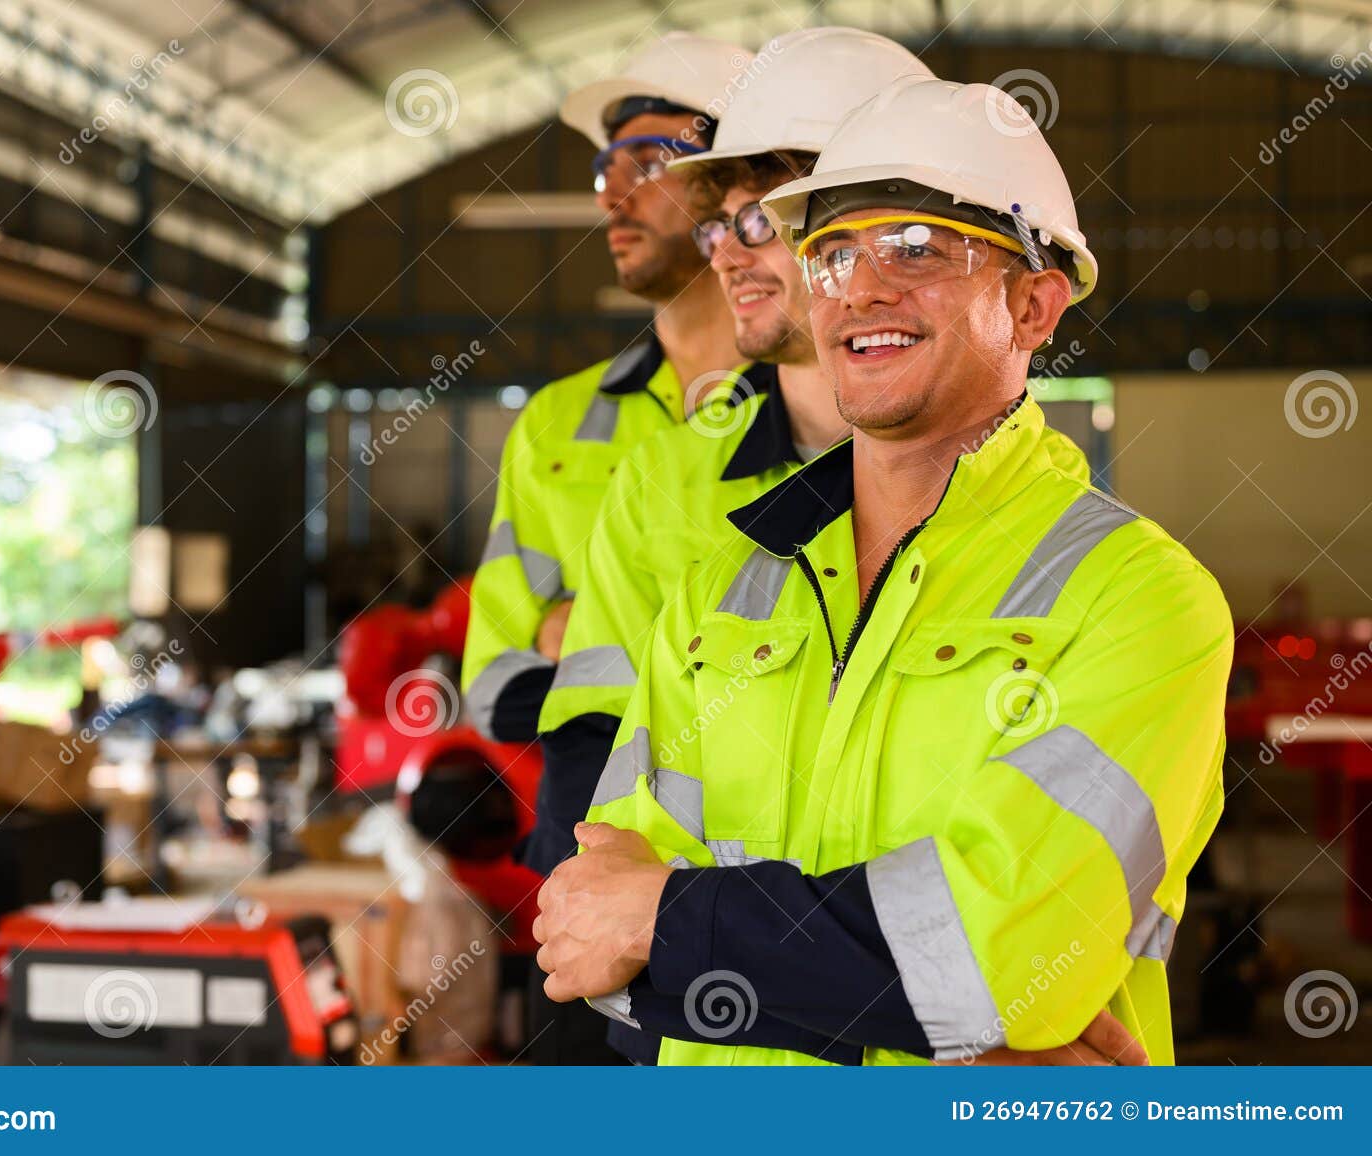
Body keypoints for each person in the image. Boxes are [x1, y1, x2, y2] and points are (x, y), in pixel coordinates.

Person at [532, 76, 1232, 1066]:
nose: (862, 289)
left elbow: (997, 965)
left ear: (1032, 305)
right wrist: (935, 1025)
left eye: (916, 249)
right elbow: (585, 928)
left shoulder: (1142, 601)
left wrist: (671, 930)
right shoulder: (721, 589)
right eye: (831, 255)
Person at [460, 31, 752, 1065]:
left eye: (649, 160)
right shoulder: (555, 425)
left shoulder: (828, 419)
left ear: (738, 182)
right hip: (580, 856)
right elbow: (496, 682)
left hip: (763, 863)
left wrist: (588, 629)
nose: (611, 194)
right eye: (604, 167)